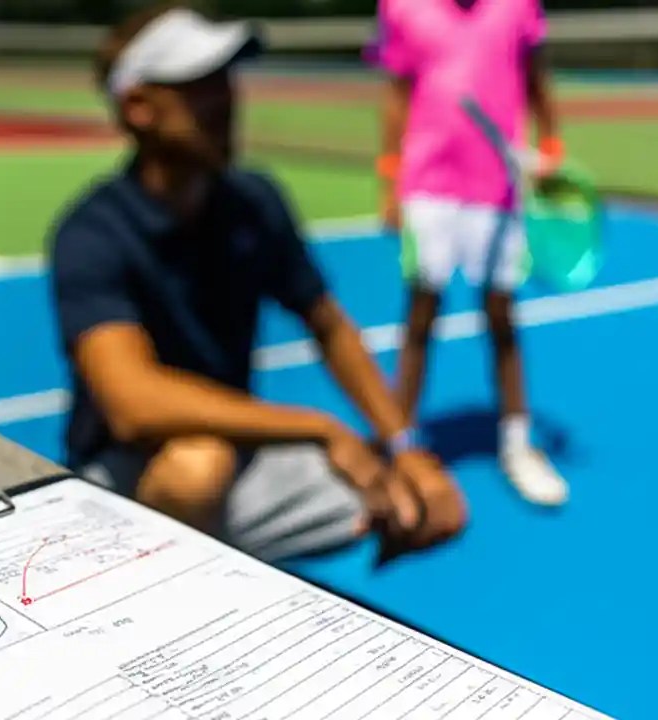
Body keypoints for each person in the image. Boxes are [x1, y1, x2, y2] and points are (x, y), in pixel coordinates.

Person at [47, 2, 468, 563]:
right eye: (196, 84)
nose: (225, 98)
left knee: (423, 505)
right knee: (198, 469)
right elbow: (133, 404)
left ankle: (207, 565)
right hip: (130, 474)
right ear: (138, 107)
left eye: (224, 79)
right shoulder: (92, 232)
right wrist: (318, 428)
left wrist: (407, 447)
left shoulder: (254, 203)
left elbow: (330, 326)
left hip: (238, 451)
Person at [370, 0, 569, 506]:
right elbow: (398, 93)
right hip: (428, 186)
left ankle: (518, 444)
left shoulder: (518, 6)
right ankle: (400, 447)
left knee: (501, 317)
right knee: (420, 315)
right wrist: (391, 177)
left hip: (499, 188)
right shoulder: (402, 7)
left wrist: (551, 145)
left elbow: (535, 77)